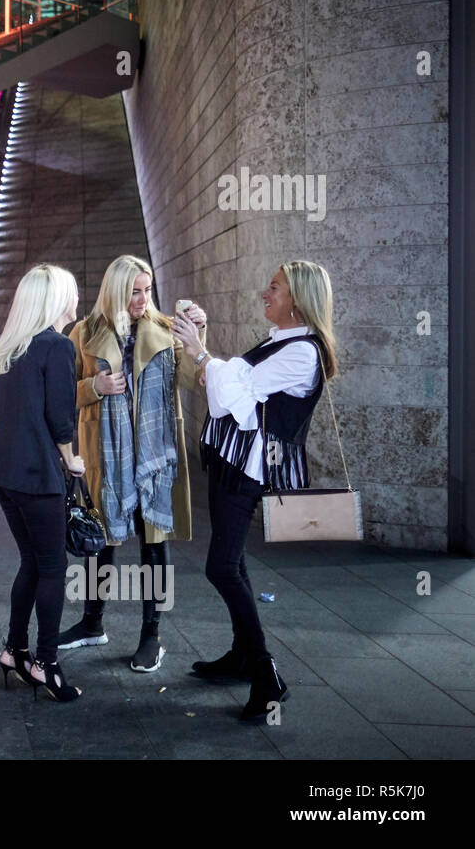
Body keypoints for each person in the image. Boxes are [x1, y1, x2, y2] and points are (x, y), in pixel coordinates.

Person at [172, 260, 339, 722]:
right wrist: (208, 359)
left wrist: (203, 354)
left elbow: (229, 395)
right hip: (232, 458)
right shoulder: (279, 341)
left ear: (299, 300)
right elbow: (227, 385)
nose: (265, 294)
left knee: (221, 568)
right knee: (233, 563)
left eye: (275, 288)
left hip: (247, 467)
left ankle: (266, 675)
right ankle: (243, 655)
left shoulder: (303, 352)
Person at [59, 255, 208, 672]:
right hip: (106, 456)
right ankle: (92, 624)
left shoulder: (164, 329)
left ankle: (152, 634)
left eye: (147, 290)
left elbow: (191, 375)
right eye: (134, 291)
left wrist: (198, 332)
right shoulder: (83, 333)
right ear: (115, 291)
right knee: (100, 541)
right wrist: (95, 386)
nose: (142, 299)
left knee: (153, 543)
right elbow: (61, 392)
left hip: (153, 458)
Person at [0, 263, 85, 703]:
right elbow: (60, 418)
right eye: (72, 291)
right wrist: (73, 461)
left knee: (31, 561)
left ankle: (15, 651)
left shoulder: (11, 347)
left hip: (4, 473)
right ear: (59, 298)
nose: (76, 298)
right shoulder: (57, 346)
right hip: (38, 474)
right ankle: (46, 664)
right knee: (51, 567)